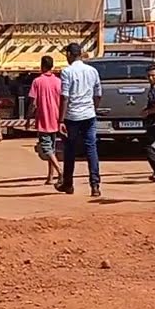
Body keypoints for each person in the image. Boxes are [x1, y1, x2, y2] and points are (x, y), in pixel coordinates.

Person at [56, 42, 103, 197]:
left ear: (70, 54)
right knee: (91, 149)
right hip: (89, 115)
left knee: (70, 150)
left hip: (72, 116)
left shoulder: (67, 72)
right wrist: (93, 109)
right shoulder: (92, 71)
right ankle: (95, 185)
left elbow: (64, 97)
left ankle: (68, 184)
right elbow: (98, 94)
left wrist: (61, 120)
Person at [27, 55, 63, 184]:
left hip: (44, 119)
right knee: (51, 148)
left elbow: (33, 102)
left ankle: (60, 171)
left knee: (46, 148)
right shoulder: (58, 81)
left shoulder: (37, 81)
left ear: (42, 66)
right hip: (56, 118)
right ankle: (50, 177)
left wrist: (28, 118)